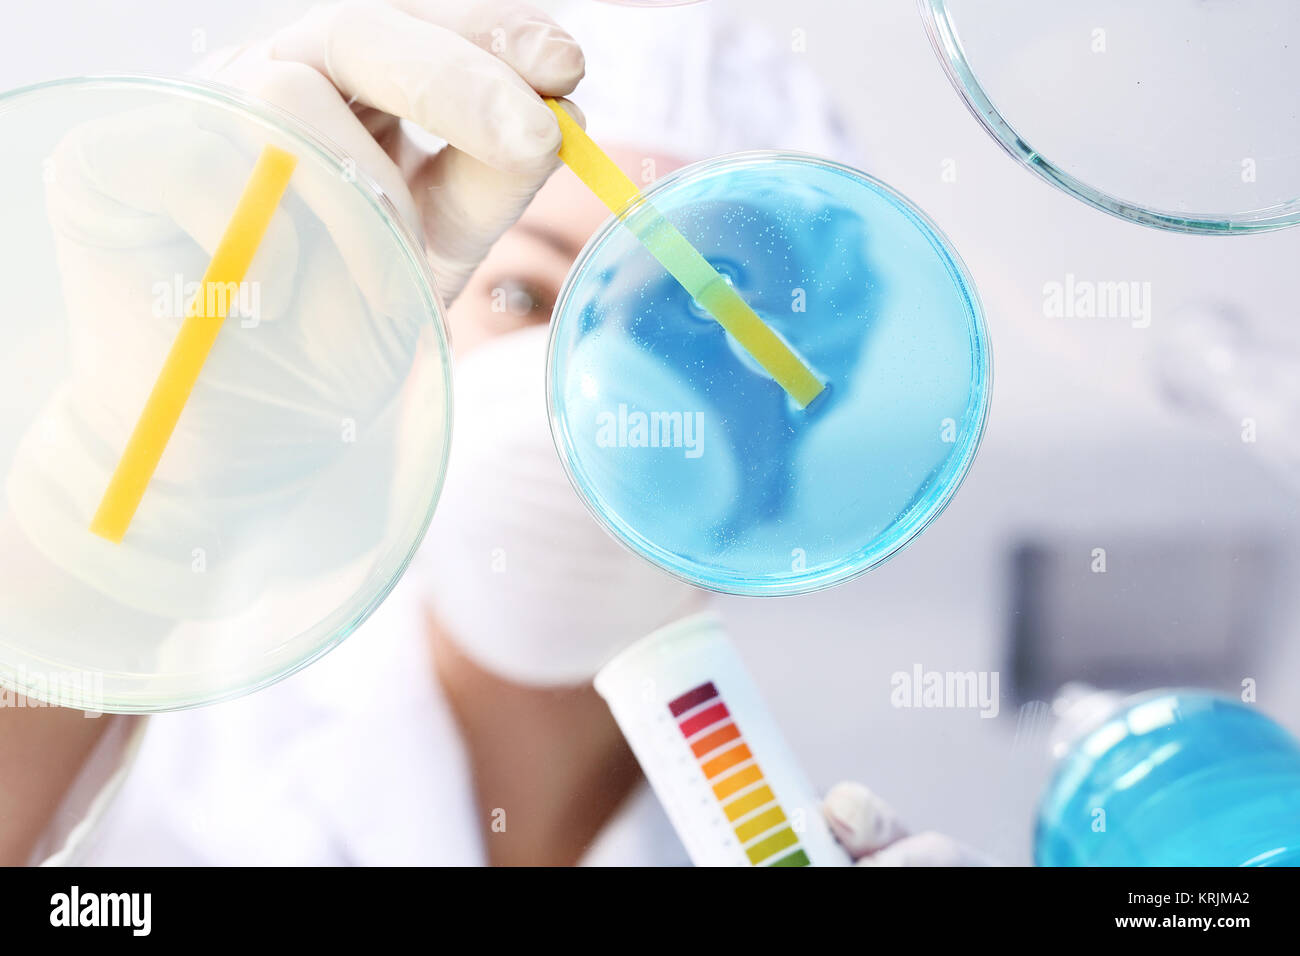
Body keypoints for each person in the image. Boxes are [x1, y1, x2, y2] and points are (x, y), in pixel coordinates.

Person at [1, 0, 988, 867]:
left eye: (702, 324)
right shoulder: (166, 733)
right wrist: (112, 512)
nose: (589, 385)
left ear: (790, 432)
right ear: (420, 342)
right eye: (522, 293)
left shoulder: (824, 816)